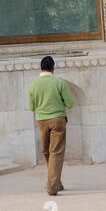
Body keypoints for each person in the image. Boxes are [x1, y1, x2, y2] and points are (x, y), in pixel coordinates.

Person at [27, 55, 74, 196]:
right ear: (53, 68)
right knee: (56, 152)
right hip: (58, 119)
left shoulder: (33, 84)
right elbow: (70, 103)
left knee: (47, 152)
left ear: (40, 68)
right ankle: (52, 186)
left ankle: (55, 182)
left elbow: (31, 106)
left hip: (41, 120)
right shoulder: (59, 82)